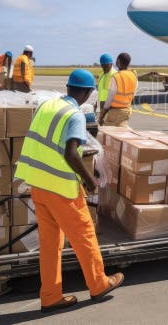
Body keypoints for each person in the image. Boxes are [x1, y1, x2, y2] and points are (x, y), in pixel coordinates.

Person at [14, 69, 124, 312]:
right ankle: (99, 284)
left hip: (38, 184)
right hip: (61, 187)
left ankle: (51, 295)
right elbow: (71, 152)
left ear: (68, 87)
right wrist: (89, 180)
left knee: (51, 243)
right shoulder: (75, 115)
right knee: (84, 234)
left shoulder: (46, 106)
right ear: (86, 93)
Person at [99, 52, 137, 127]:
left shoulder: (115, 77)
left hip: (115, 112)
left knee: (107, 134)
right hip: (127, 111)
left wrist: (102, 116)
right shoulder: (133, 76)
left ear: (118, 62)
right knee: (122, 131)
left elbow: (109, 99)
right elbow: (133, 94)